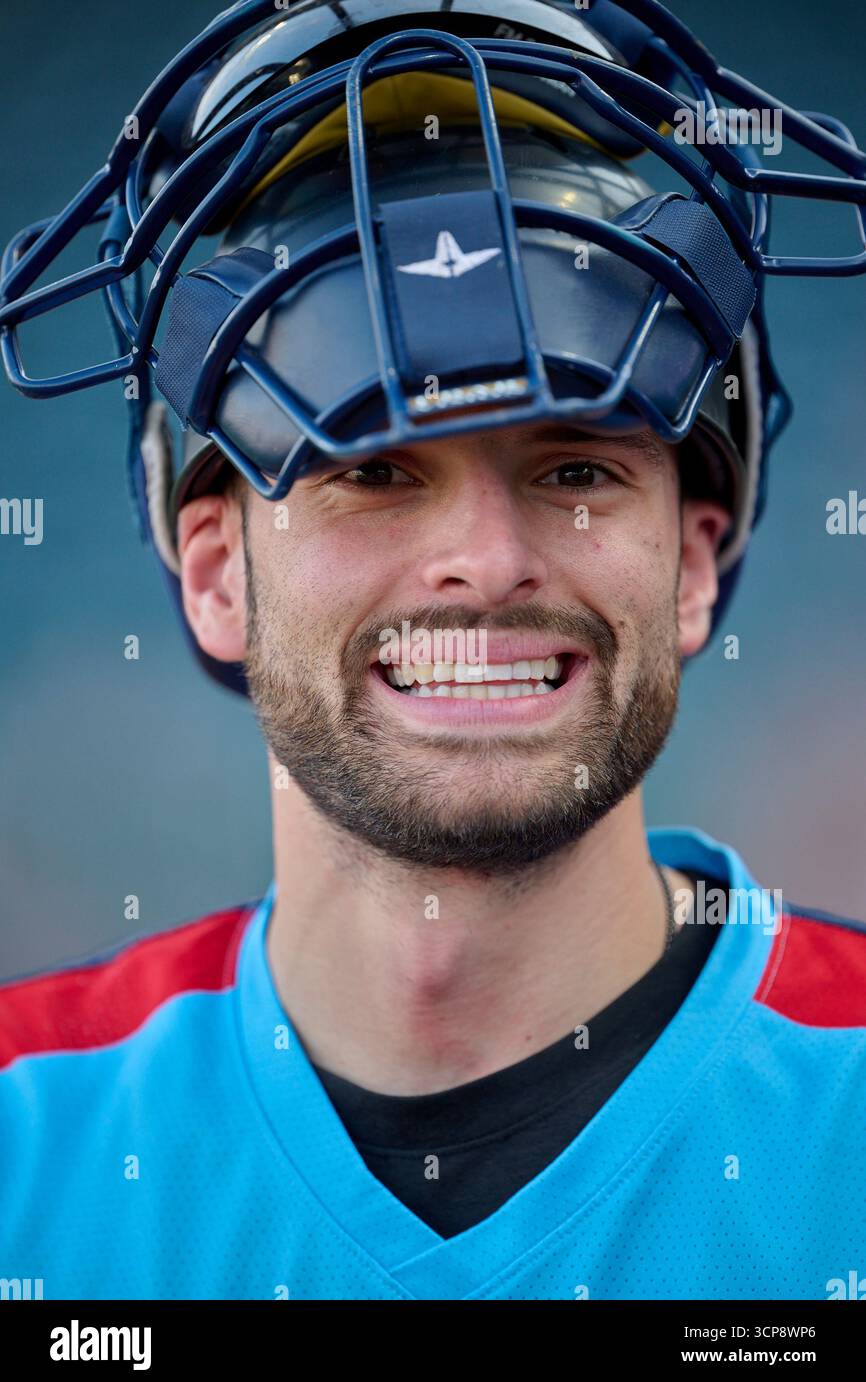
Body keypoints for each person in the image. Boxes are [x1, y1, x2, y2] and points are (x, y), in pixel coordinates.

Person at [1, 0, 865, 1300]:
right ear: (215, 576)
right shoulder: (26, 1141)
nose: (487, 557)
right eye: (371, 468)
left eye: (574, 464)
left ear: (691, 562)